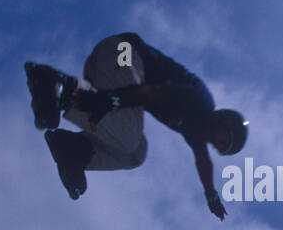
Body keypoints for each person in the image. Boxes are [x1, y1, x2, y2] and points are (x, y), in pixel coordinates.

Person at [25, 33, 247, 220]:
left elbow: (203, 161)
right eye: (223, 140)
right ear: (223, 120)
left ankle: (75, 150)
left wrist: (211, 195)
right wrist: (109, 101)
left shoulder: (196, 130)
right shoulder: (201, 102)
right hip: (124, 53)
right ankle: (61, 88)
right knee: (129, 134)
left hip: (118, 72)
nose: (216, 145)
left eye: (221, 149)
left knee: (136, 153)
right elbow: (153, 92)